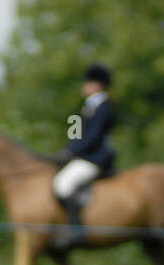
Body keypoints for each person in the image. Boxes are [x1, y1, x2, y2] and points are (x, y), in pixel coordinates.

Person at [51, 63, 116, 251]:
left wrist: (72, 152)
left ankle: (76, 231)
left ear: (96, 85)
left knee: (63, 184)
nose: (83, 86)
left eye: (87, 83)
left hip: (96, 157)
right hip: (85, 155)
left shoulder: (103, 107)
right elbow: (78, 134)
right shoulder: (89, 106)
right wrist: (67, 149)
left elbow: (93, 136)